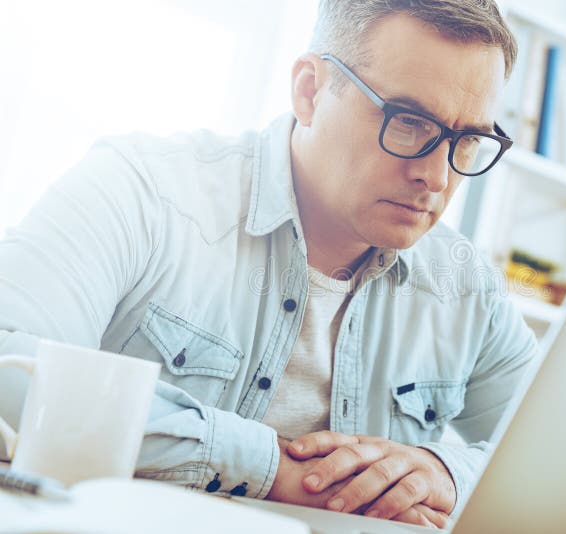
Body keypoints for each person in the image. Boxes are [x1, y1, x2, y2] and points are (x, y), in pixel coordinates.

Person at [0, 0, 536, 528]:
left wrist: (446, 474)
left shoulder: (468, 289)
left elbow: (562, 456)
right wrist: (272, 469)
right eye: (409, 123)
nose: (438, 178)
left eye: (468, 140)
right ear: (310, 91)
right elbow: (7, 362)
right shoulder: (140, 190)